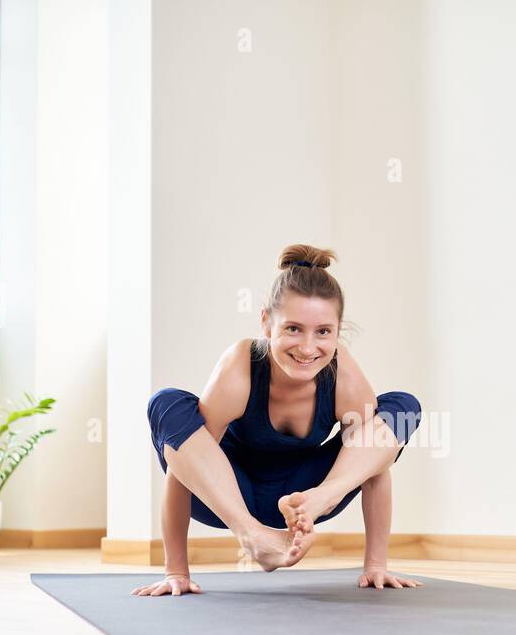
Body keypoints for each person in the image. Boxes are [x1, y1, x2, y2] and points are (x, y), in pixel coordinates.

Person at [134, 243, 423, 596]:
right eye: (293, 329)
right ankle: (253, 536)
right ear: (266, 323)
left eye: (323, 332)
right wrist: (175, 570)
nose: (307, 348)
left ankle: (318, 500)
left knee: (402, 408)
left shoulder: (343, 375)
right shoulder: (240, 365)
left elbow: (374, 466)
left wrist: (376, 564)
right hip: (228, 496)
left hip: (306, 497)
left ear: (337, 330)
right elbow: (184, 464)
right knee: (168, 403)